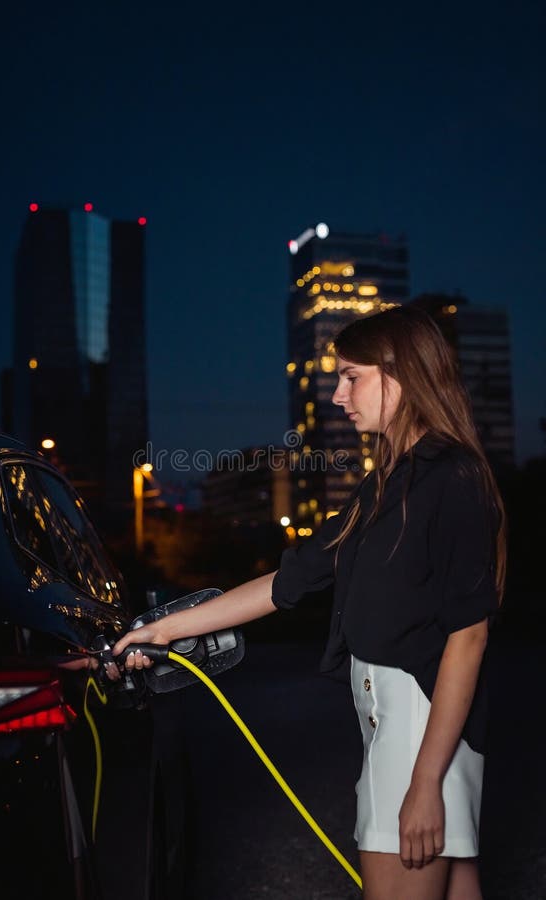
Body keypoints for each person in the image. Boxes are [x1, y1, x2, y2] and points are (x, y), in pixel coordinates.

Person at [110, 305, 506, 900]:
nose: (338, 394)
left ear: (400, 376)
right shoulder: (385, 484)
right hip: (401, 729)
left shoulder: (451, 478)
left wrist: (424, 781)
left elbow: (467, 637)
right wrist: (166, 628)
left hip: (419, 734)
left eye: (352, 376)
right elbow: (285, 581)